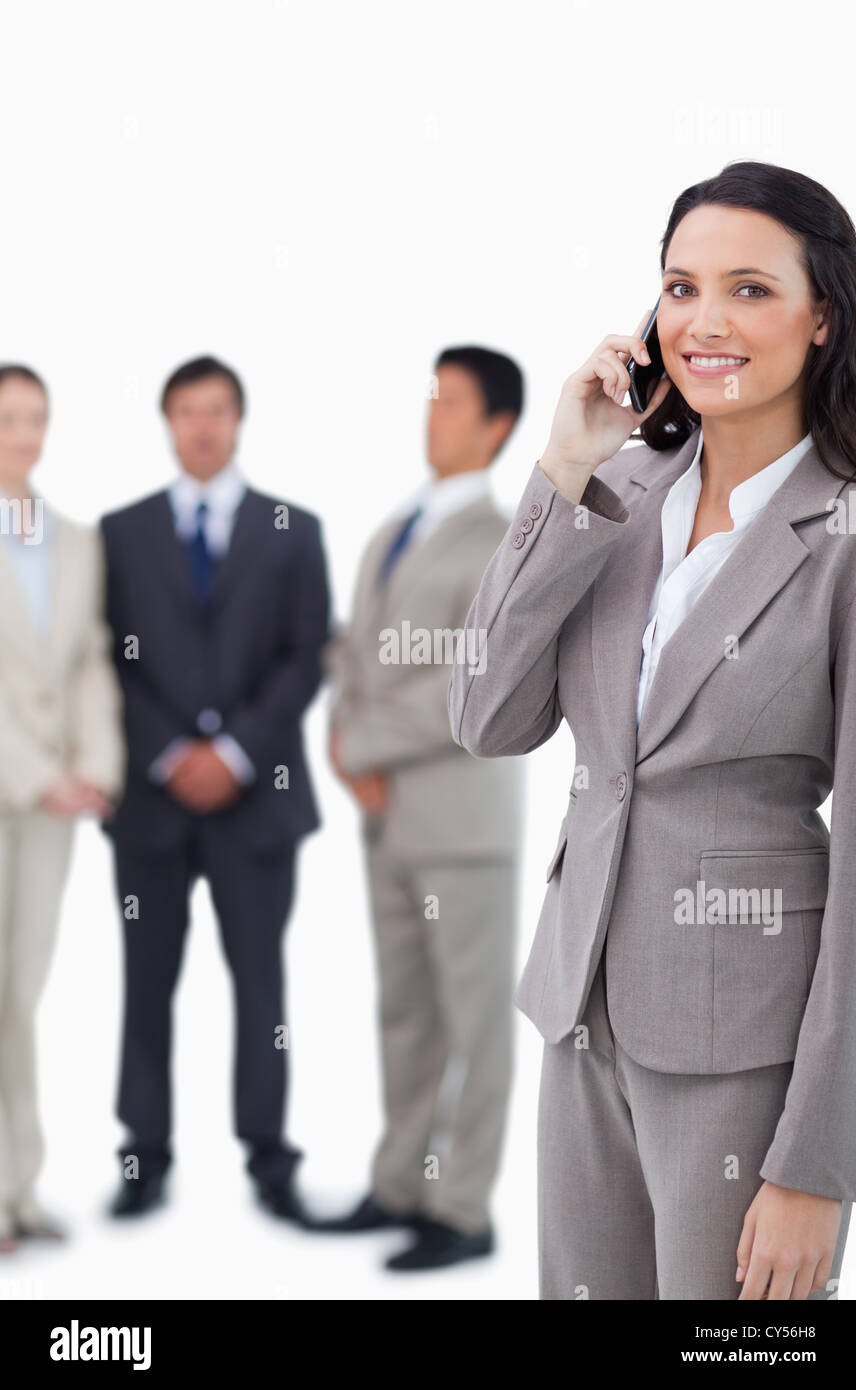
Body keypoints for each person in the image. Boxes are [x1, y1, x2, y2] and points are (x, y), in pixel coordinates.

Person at [448, 161, 856, 1300]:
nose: (703, 322)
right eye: (679, 288)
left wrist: (816, 1164)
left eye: (747, 288)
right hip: (579, 1011)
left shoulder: (848, 530)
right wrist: (564, 465)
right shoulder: (619, 492)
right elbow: (486, 713)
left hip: (744, 1050)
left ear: (820, 315)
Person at [99, 356, 330, 1222]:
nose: (202, 425)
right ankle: (144, 1154)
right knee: (145, 981)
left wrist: (233, 751)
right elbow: (107, 656)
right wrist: (170, 753)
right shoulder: (120, 533)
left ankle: (270, 1159)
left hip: (257, 801)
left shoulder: (292, 529)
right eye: (186, 411)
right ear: (167, 422)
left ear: (239, 419)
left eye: (217, 410)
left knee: (261, 988)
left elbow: (305, 657)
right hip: (150, 804)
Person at [321, 346, 525, 1269]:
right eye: (431, 397)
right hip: (386, 817)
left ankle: (465, 1208)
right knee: (403, 1011)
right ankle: (399, 1182)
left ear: (499, 427)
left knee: (472, 1020)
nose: (432, 414)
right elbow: (357, 654)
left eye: (453, 403)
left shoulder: (505, 536)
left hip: (462, 822)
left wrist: (357, 743)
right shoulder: (394, 525)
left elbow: (471, 674)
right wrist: (340, 736)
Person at [0, 364, 124, 1254]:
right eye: (8, 418)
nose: (24, 434)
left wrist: (96, 768)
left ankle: (17, 1190)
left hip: (49, 807)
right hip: (15, 781)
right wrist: (36, 771)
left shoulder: (76, 541)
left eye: (35, 418)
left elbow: (86, 660)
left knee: (21, 993)